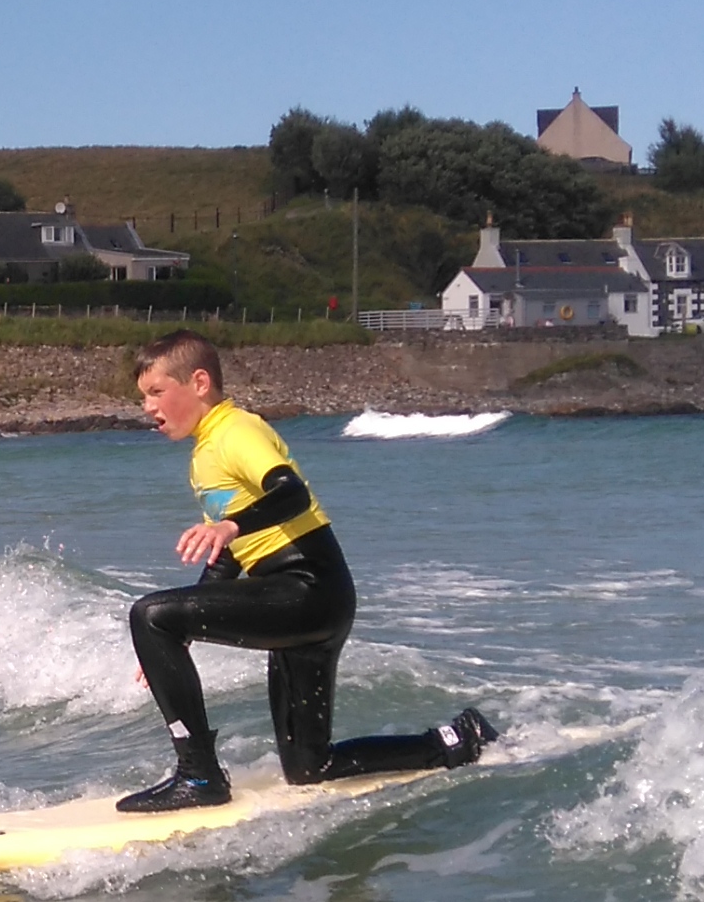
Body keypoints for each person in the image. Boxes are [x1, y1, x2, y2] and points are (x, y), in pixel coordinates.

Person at [120, 330, 492, 812]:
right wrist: (173, 640)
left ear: (199, 382)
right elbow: (228, 556)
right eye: (143, 397)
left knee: (148, 614)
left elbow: (290, 492)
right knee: (309, 768)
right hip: (308, 601)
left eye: (156, 392)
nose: (148, 407)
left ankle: (199, 777)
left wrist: (230, 527)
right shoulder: (204, 454)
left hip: (305, 589)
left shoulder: (236, 432)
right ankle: (455, 741)